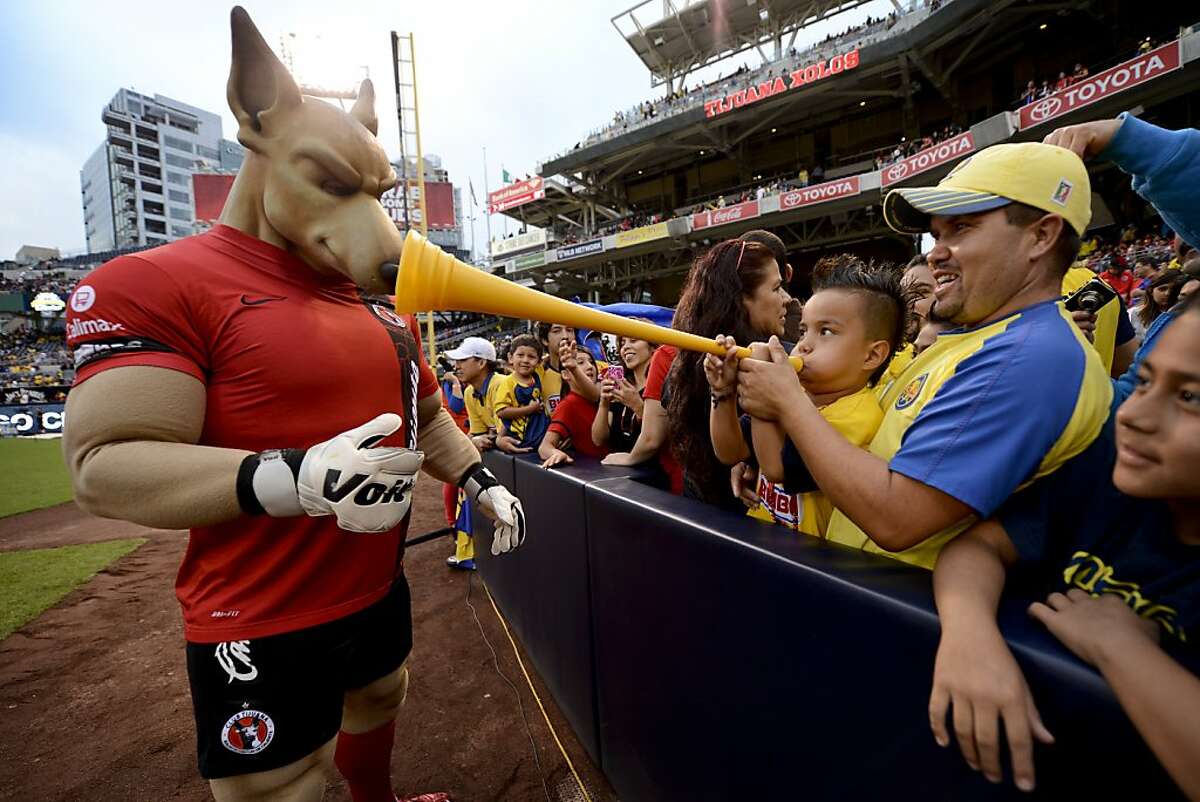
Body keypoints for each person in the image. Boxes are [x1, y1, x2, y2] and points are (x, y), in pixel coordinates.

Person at [61, 11, 525, 801]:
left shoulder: (385, 309)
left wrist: (481, 482)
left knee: (382, 695)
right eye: (332, 184)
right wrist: (294, 477)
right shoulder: (158, 282)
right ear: (256, 129)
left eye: (373, 191)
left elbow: (430, 417)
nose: (381, 237)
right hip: (260, 613)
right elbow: (105, 466)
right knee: (284, 785)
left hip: (376, 585)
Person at [735, 141, 1112, 569]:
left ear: (1041, 236)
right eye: (938, 232)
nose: (935, 252)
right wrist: (774, 463)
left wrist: (786, 403)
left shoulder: (1032, 357)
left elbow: (897, 518)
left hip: (906, 620)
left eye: (962, 229)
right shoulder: (978, 339)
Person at [927, 292, 1200, 795]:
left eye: (1190, 398)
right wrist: (968, 634)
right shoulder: (1110, 467)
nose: (1136, 415)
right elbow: (978, 549)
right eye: (1143, 382)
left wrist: (1120, 647)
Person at [708, 259, 903, 538]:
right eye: (803, 331)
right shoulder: (793, 392)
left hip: (807, 560)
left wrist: (767, 398)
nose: (804, 345)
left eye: (826, 331)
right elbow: (731, 452)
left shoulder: (859, 416)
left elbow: (776, 469)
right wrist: (722, 392)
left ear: (871, 355)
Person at [665, 239, 791, 508]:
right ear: (742, 299)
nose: (787, 299)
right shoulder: (710, 366)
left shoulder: (685, 363)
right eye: (777, 288)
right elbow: (732, 453)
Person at [444, 336, 503, 570]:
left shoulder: (500, 383)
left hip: (525, 454)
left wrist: (482, 438)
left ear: (481, 363)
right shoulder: (469, 392)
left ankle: (467, 549)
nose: (456, 365)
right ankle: (465, 546)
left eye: (462, 359)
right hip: (499, 455)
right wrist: (478, 438)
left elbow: (501, 432)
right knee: (459, 484)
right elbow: (478, 434)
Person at [539, 348, 607, 468]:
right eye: (580, 362)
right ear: (565, 374)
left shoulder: (606, 395)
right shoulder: (568, 405)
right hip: (601, 472)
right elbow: (545, 447)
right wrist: (557, 454)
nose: (590, 366)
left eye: (591, 362)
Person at [592, 333, 655, 453]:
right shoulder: (619, 385)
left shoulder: (662, 385)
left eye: (633, 340)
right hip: (615, 468)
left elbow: (661, 438)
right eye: (622, 343)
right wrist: (603, 404)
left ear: (653, 347)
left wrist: (637, 406)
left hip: (652, 469)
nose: (625, 347)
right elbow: (598, 440)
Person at [493, 334, 549, 452]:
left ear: (539, 361)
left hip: (541, 431)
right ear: (510, 357)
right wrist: (530, 409)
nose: (525, 360)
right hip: (521, 437)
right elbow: (501, 412)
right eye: (520, 355)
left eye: (531, 357)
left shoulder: (537, 374)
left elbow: (549, 358)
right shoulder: (507, 383)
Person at [536, 322, 599, 413]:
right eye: (557, 331)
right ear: (544, 340)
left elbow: (596, 396)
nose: (565, 336)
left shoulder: (592, 367)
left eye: (569, 330)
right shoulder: (537, 374)